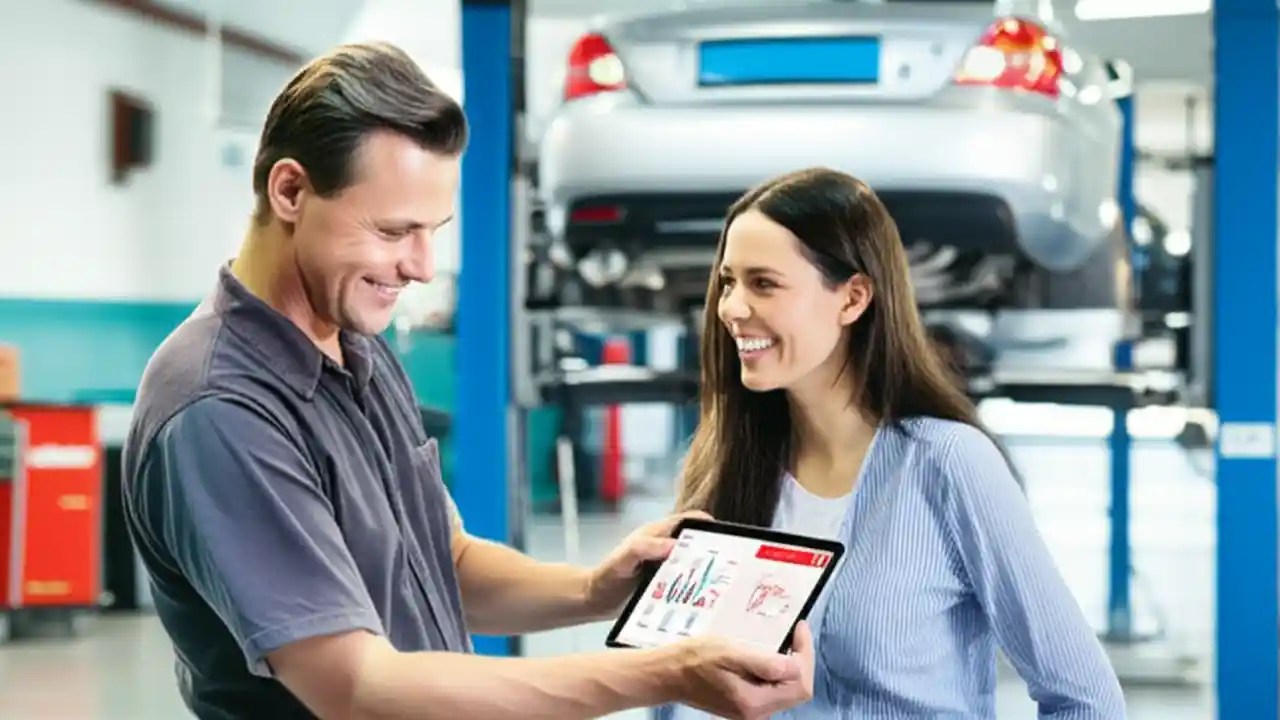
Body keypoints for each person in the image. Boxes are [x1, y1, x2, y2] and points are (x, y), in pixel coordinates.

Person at [120, 41, 814, 720]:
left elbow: (442, 561)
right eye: (395, 232)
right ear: (291, 190)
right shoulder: (220, 410)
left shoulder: (357, 345)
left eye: (433, 231)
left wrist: (596, 588)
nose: (421, 266)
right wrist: (661, 673)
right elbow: (357, 689)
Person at [656, 168, 1127, 719]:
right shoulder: (722, 466)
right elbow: (679, 690)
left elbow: (1086, 700)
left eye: (764, 283)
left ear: (853, 298)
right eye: (728, 281)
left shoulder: (947, 463)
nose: (731, 308)